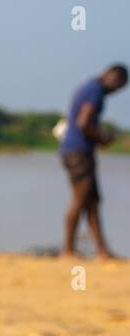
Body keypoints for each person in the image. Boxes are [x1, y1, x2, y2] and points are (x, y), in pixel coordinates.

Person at [59, 64, 126, 259]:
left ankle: (102, 251)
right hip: (78, 151)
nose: (116, 90)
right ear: (115, 79)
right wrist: (102, 138)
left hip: (77, 150)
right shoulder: (95, 91)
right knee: (80, 199)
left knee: (92, 202)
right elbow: (84, 122)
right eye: (118, 85)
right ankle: (68, 250)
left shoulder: (89, 87)